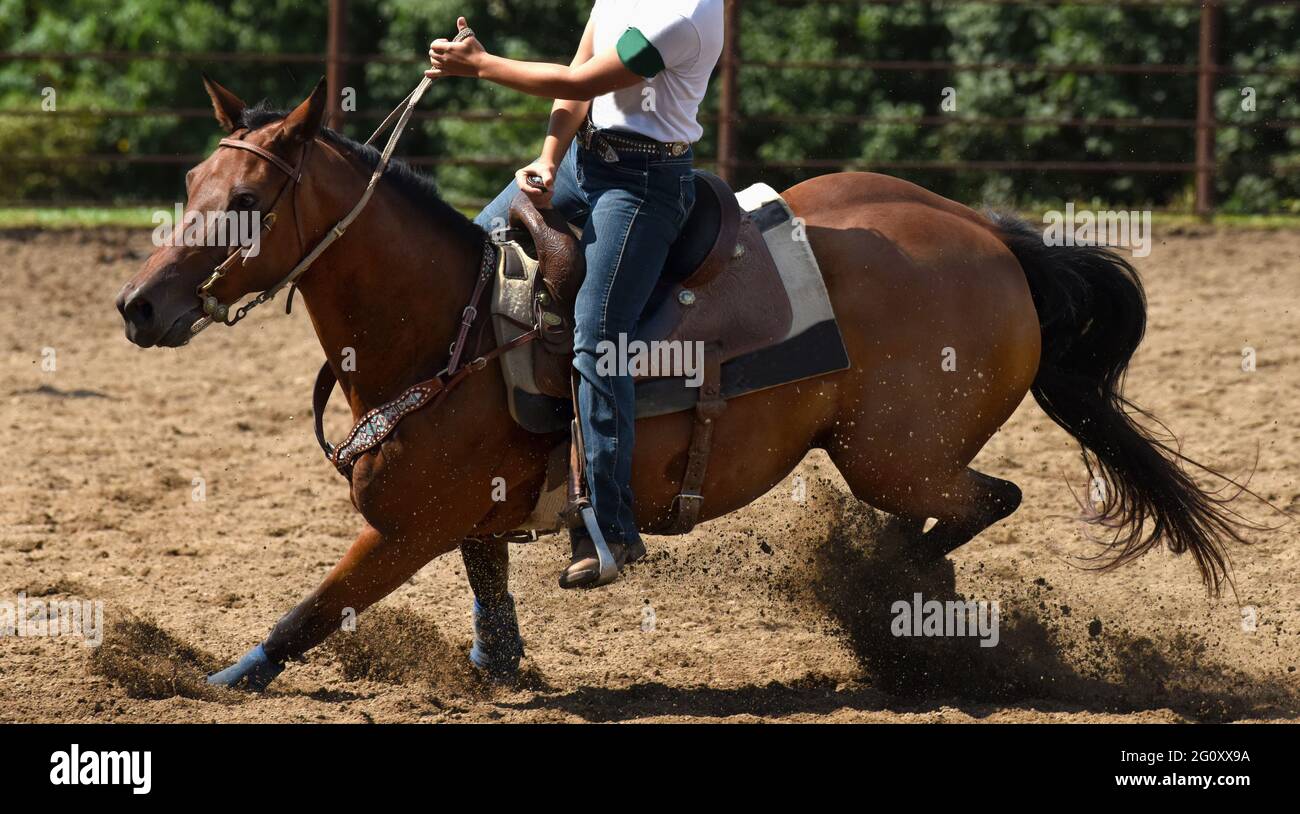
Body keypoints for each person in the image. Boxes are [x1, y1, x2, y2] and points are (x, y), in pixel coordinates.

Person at [428, 1, 724, 589]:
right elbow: (578, 77)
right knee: (473, 249)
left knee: (598, 336)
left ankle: (609, 527)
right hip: (584, 165)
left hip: (643, 186)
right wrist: (549, 156)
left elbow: (581, 80)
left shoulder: (686, 14)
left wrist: (482, 65)